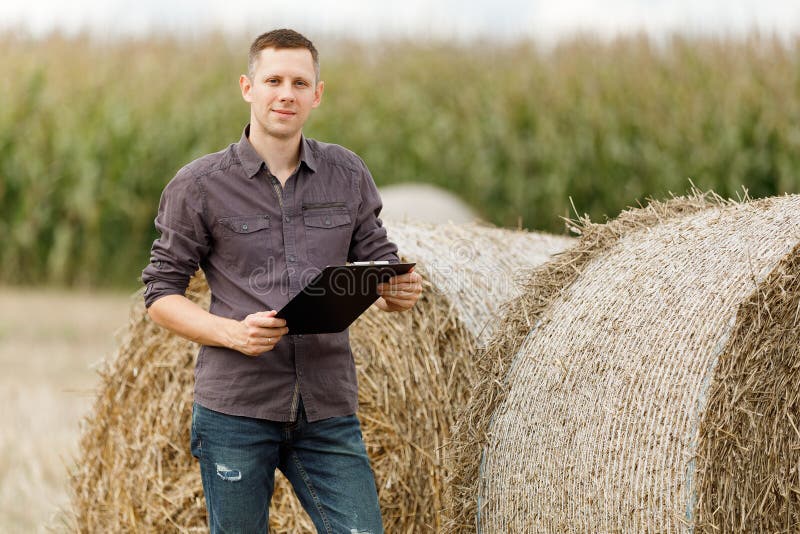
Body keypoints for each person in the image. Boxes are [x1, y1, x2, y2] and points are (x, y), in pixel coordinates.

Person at [141, 28, 422, 533]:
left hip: (327, 406)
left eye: (299, 82)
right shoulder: (199, 186)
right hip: (235, 409)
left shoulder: (347, 173)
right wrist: (232, 333)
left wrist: (400, 291)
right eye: (273, 80)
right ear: (248, 87)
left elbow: (379, 264)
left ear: (318, 93)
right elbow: (160, 294)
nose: (285, 93)